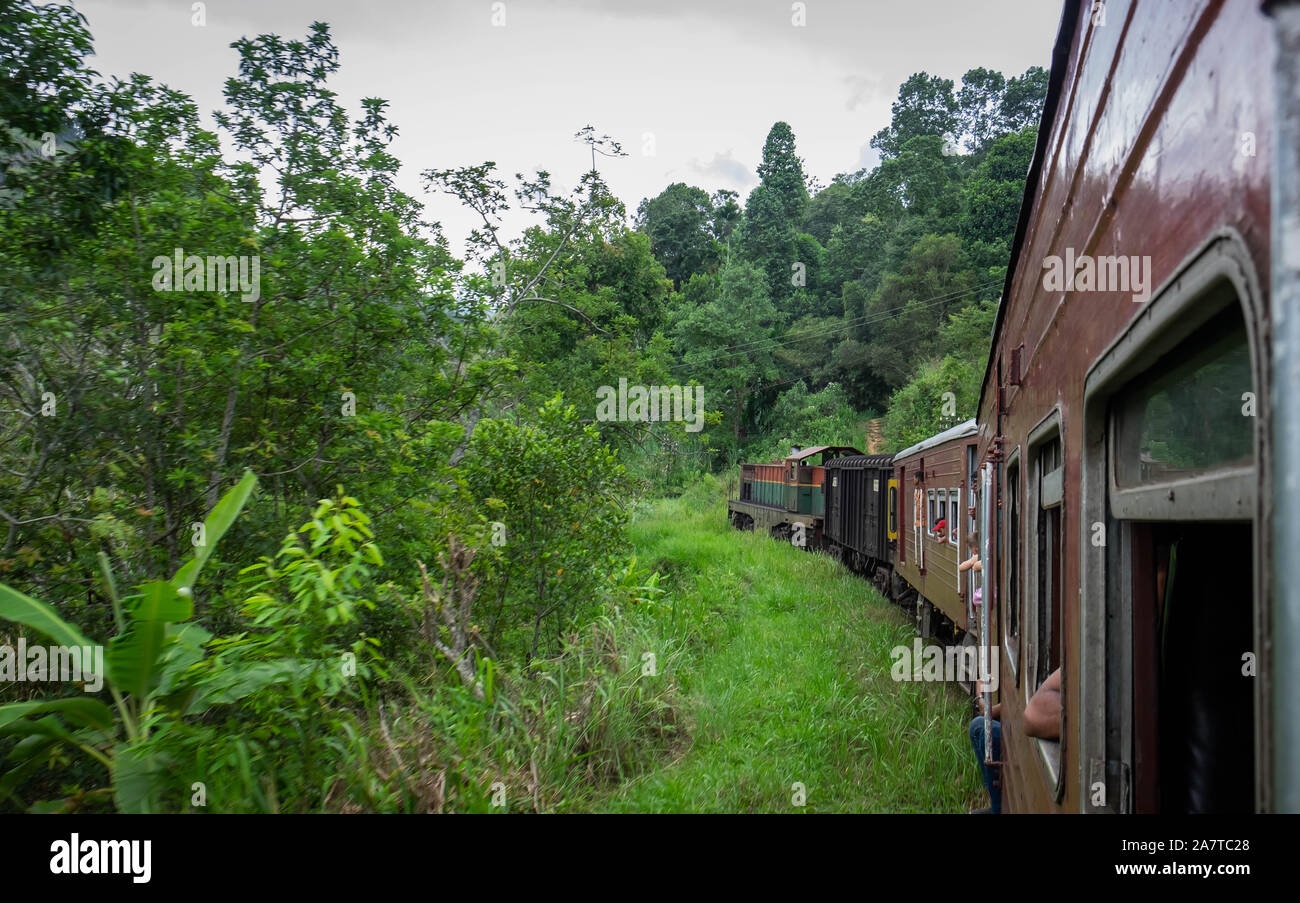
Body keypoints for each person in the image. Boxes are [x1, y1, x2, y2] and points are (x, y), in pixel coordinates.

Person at [969, 668, 1062, 813]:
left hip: (1031, 744)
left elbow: (989, 712)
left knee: (984, 730)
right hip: (1031, 736)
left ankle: (997, 809)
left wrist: (980, 696)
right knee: (979, 726)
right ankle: (996, 807)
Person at [958, 532, 981, 606]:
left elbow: (961, 568)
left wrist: (972, 562)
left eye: (970, 549)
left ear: (975, 549)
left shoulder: (977, 556)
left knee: (976, 599)